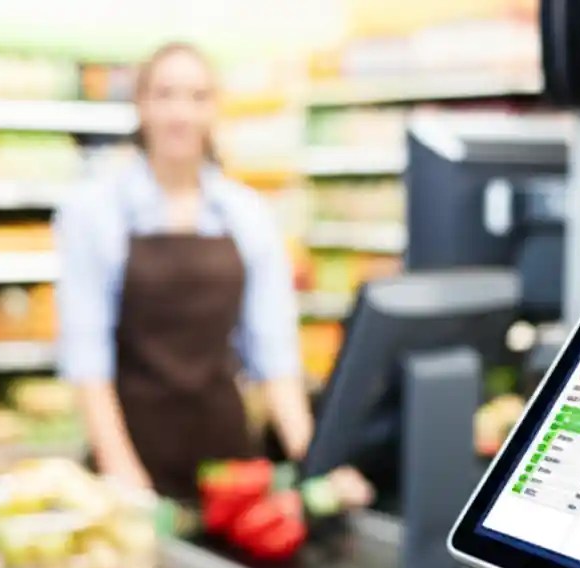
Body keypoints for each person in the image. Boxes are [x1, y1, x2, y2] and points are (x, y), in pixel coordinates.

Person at [55, 42, 370, 507]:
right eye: (165, 95)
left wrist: (315, 463)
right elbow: (88, 361)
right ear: (141, 104)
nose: (181, 113)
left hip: (229, 464)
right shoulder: (94, 212)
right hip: (130, 458)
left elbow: (274, 357)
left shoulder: (246, 214)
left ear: (215, 109)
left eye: (197, 97)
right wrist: (124, 475)